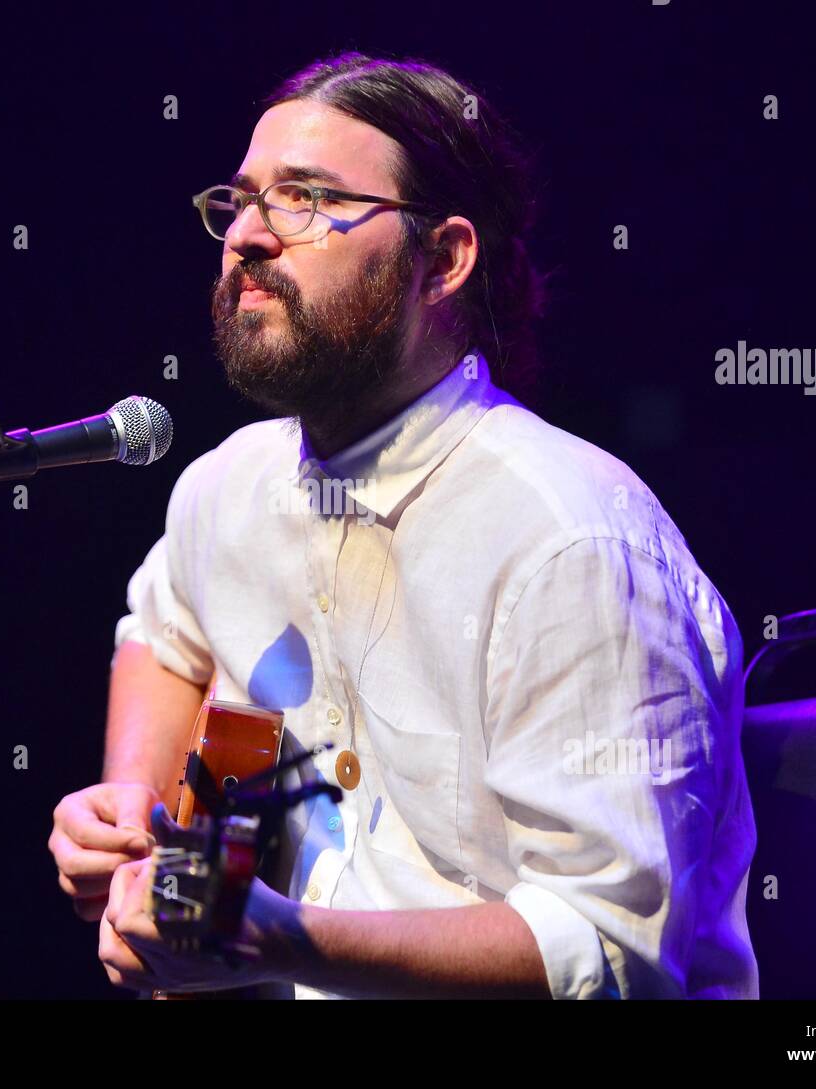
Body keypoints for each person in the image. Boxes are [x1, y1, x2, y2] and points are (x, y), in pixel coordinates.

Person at [48, 51, 759, 999]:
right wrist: (132, 810)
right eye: (244, 199)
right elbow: (161, 632)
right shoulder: (229, 488)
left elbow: (611, 954)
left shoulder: (573, 542)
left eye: (304, 199)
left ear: (444, 260)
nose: (249, 236)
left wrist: (289, 941)